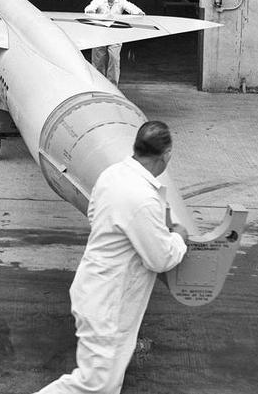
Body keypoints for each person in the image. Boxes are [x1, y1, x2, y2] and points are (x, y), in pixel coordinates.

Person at [34, 121, 189, 394]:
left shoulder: (112, 175)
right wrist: (179, 237)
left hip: (97, 291)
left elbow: (97, 216)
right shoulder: (142, 197)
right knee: (96, 386)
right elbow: (161, 258)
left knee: (107, 384)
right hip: (108, 305)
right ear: (166, 155)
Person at [83, 0, 145, 85]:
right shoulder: (99, 0)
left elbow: (132, 8)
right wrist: (94, 15)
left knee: (114, 59)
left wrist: (139, 13)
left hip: (115, 34)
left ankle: (112, 85)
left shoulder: (121, 1)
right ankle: (98, 84)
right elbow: (88, 9)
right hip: (99, 34)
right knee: (98, 60)